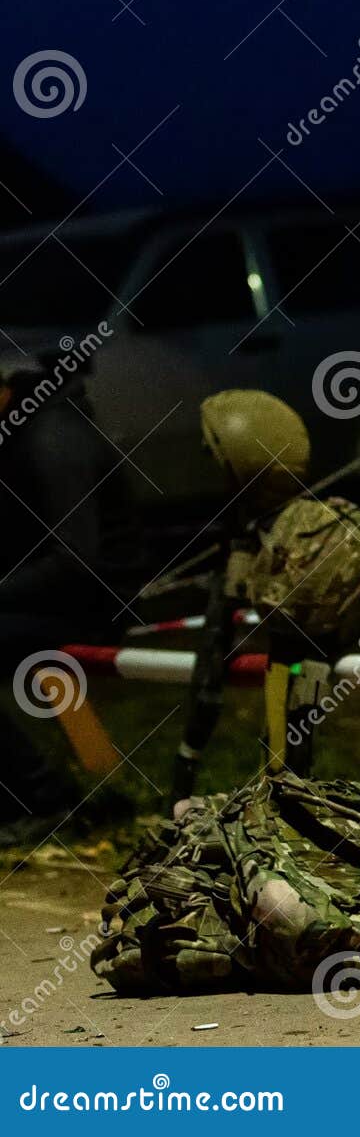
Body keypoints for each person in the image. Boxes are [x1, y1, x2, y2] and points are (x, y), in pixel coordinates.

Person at [0, 357, 144, 845]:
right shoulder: (22, 428)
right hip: (60, 599)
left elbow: (75, 561)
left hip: (97, 604)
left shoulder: (51, 439)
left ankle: (46, 800)